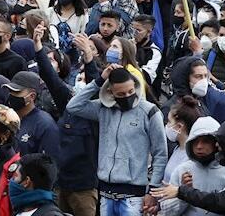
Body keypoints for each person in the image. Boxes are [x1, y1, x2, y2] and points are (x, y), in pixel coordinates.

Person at [65, 65, 168, 216]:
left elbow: (160, 153)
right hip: (106, 194)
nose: (127, 96)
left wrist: (152, 191)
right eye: (121, 93)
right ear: (111, 92)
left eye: (131, 91)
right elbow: (73, 106)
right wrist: (99, 80)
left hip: (134, 196)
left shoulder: (149, 112)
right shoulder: (103, 109)